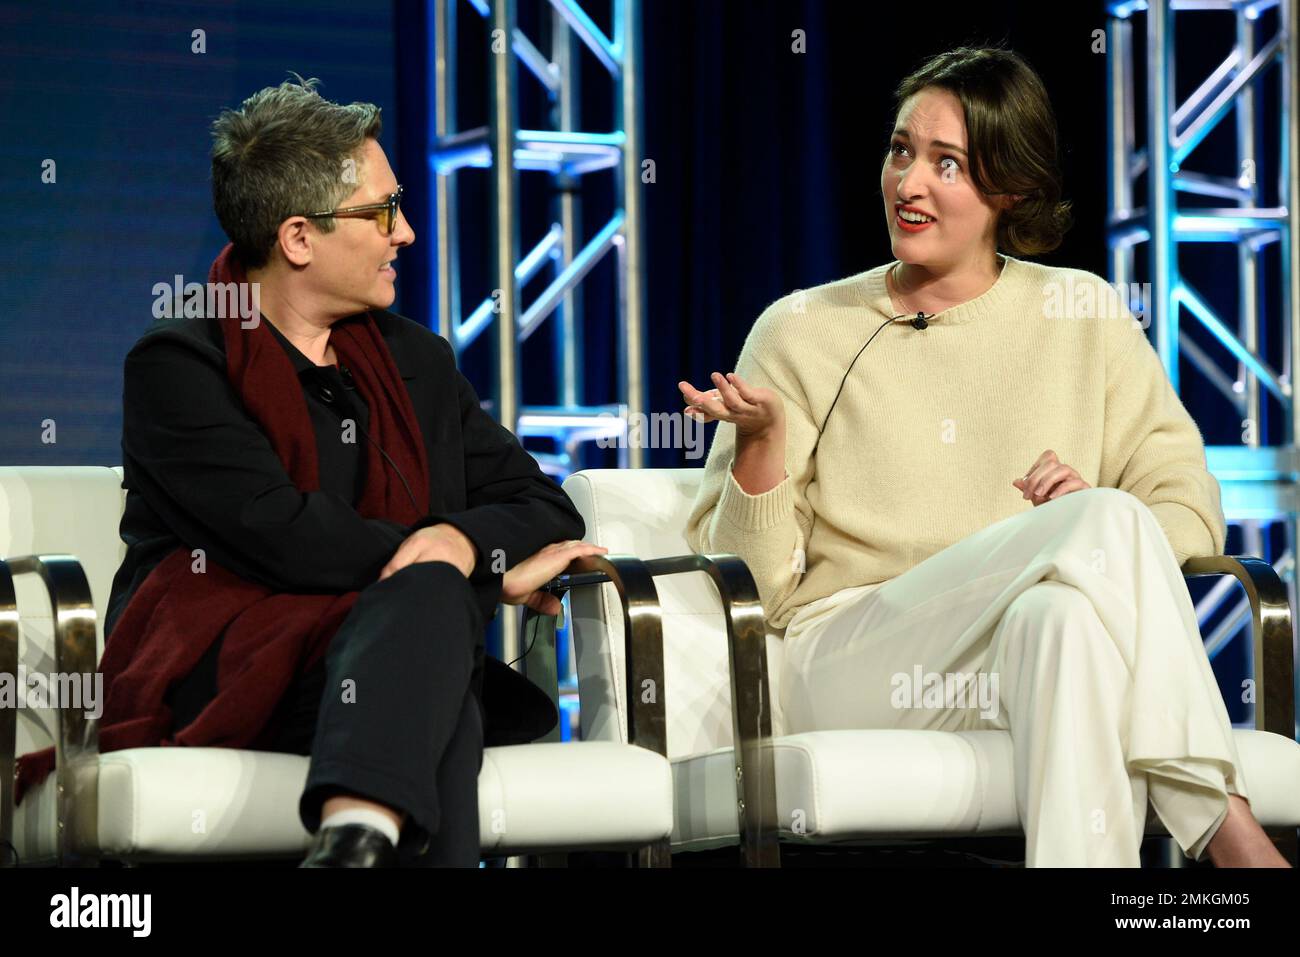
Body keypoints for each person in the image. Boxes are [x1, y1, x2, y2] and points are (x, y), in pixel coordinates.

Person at [679, 47, 1290, 867]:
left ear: (1010, 189)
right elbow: (749, 589)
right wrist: (762, 447)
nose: (909, 184)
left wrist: (1097, 547)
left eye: (947, 164)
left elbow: (1183, 493)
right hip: (846, 658)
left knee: (1065, 614)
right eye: (901, 150)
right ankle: (1226, 825)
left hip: (1008, 657)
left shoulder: (1082, 313)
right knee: (1104, 520)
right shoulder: (803, 326)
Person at [14, 76, 606, 867]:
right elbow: (285, 535)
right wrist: (468, 564)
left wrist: (460, 550)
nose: (408, 233)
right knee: (436, 668)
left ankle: (352, 841)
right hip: (226, 665)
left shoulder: (414, 363)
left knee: (433, 677)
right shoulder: (183, 363)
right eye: (385, 210)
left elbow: (541, 500)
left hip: (387, 656)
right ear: (298, 237)